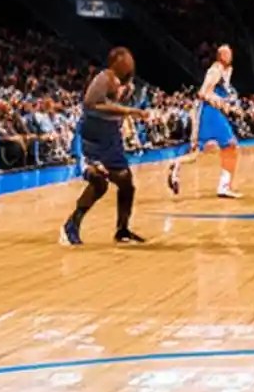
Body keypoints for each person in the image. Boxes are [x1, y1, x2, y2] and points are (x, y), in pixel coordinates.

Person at [60, 47, 149, 246]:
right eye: (126, 59)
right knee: (99, 183)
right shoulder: (103, 78)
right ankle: (71, 226)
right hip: (93, 136)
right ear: (116, 62)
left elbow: (116, 111)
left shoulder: (126, 85)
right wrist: (128, 110)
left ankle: (122, 230)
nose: (130, 63)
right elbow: (90, 104)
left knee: (126, 182)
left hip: (110, 137)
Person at [168, 44, 243, 198]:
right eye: (226, 53)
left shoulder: (224, 71)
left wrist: (228, 106)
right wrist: (222, 104)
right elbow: (203, 93)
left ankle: (177, 164)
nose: (229, 55)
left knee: (201, 151)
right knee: (231, 145)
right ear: (219, 56)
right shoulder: (215, 70)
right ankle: (224, 186)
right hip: (210, 112)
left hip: (212, 111)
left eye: (230, 52)